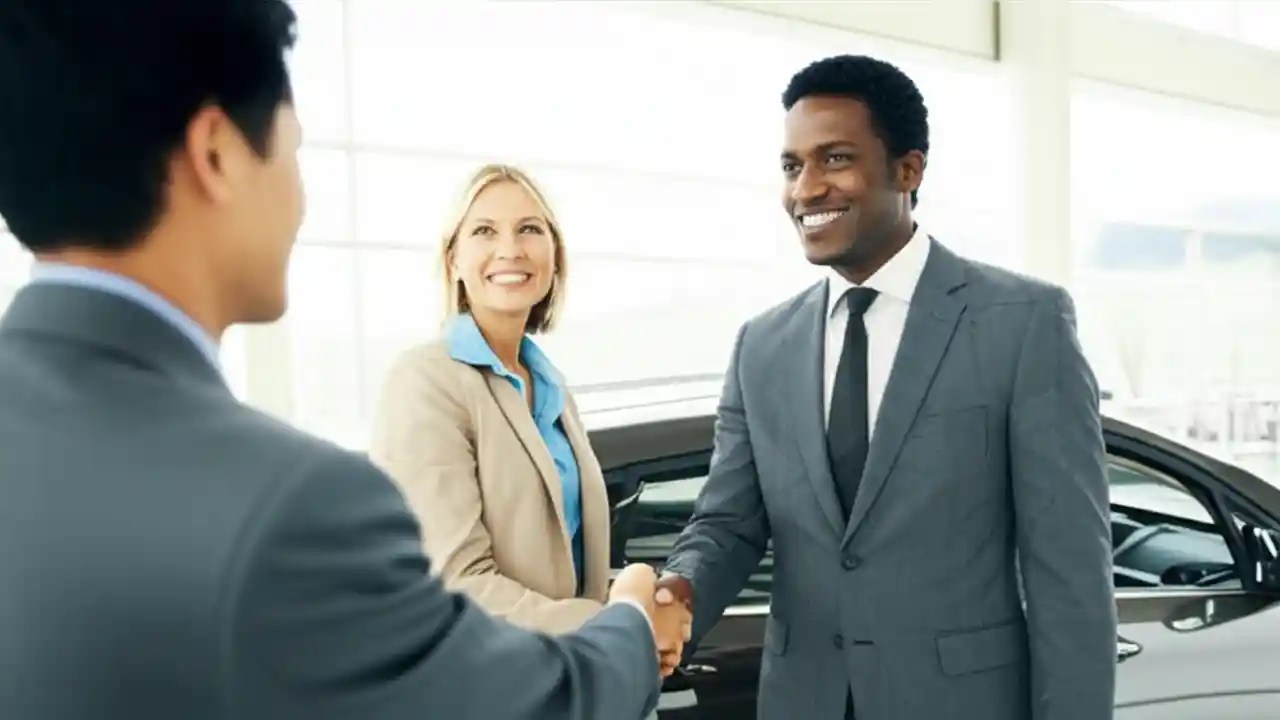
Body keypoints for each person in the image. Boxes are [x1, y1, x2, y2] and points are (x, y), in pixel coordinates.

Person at [0, 2, 665, 719]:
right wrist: (629, 621)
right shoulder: (298, 508)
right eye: (295, 150)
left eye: (531, 229)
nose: (303, 201)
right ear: (218, 154)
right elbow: (501, 698)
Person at [654, 54, 1116, 720]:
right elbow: (727, 525)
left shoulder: (1024, 323)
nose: (806, 189)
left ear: (909, 169)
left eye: (834, 159)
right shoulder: (762, 346)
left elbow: (1070, 572)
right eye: (792, 166)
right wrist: (675, 595)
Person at [368, 164, 685, 673]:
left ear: (554, 257)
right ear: (453, 260)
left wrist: (645, 597)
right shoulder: (426, 383)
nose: (510, 249)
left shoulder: (550, 388)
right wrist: (625, 625)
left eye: (530, 229)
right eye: (484, 231)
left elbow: (562, 573)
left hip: (563, 684)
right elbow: (457, 586)